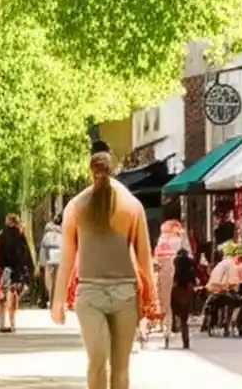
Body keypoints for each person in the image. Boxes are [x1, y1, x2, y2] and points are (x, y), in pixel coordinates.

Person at [51, 143, 158, 389]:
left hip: (93, 292)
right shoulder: (130, 205)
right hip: (120, 293)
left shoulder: (77, 206)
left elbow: (67, 258)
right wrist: (152, 300)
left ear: (91, 171)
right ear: (114, 170)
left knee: (99, 362)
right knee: (117, 367)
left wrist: (58, 301)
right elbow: (144, 257)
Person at [0, 212, 34, 333]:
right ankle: (12, 323)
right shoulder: (20, 235)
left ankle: (2, 324)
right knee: (13, 297)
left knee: (2, 298)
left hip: (5, 270)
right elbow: (25, 254)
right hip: (17, 271)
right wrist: (27, 270)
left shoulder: (1, 235)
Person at [153, 219, 189, 347]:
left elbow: (156, 261)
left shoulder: (161, 239)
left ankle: (166, 331)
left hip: (164, 275)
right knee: (181, 307)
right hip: (180, 278)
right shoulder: (180, 237)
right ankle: (178, 329)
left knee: (165, 304)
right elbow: (189, 256)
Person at [40, 218, 64, 309]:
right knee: (58, 281)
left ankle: (51, 300)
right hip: (59, 258)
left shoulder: (47, 235)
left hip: (49, 259)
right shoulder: (62, 233)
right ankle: (57, 301)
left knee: (49, 281)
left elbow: (43, 248)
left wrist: (42, 262)